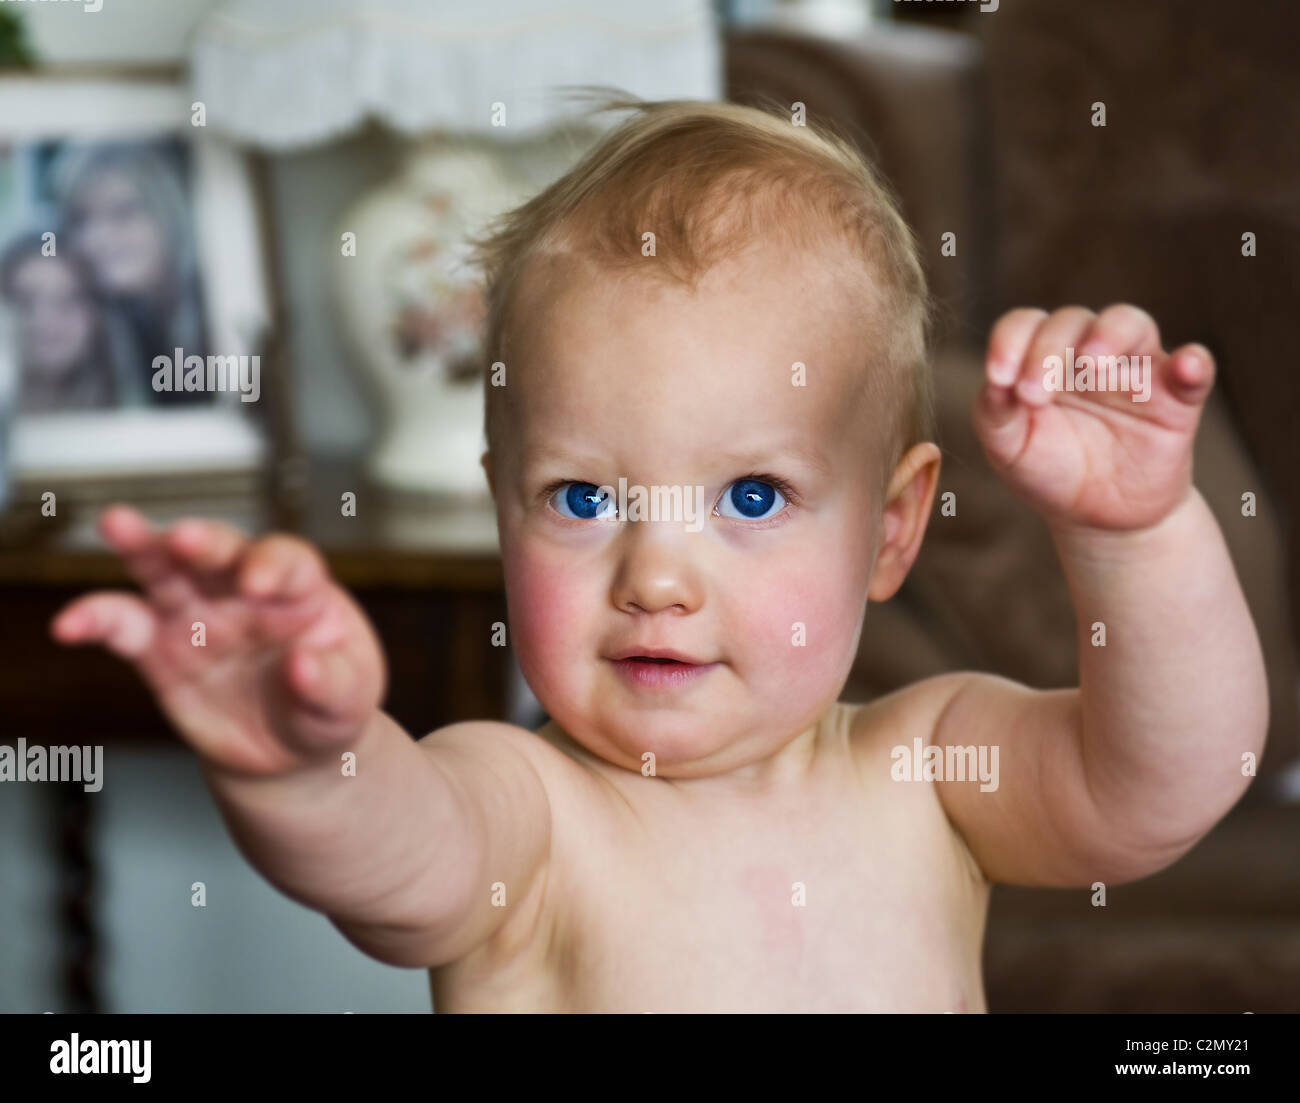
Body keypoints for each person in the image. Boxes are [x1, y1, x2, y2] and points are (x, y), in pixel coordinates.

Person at [49, 100, 1266, 1012]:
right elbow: (395, 854)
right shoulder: (532, 811)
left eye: (750, 493)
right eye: (579, 495)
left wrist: (1134, 532)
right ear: (498, 509)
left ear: (891, 529)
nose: (656, 578)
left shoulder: (930, 771)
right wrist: (301, 762)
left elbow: (1169, 778)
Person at [53, 142, 209, 406]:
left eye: (123, 212)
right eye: (80, 219)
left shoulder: (221, 302)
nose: (94, 240)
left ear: (168, 213)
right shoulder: (105, 322)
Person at [0, 234, 132, 413]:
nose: (43, 319)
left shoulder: (131, 416)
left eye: (67, 301)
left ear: (97, 317)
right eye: (24, 302)